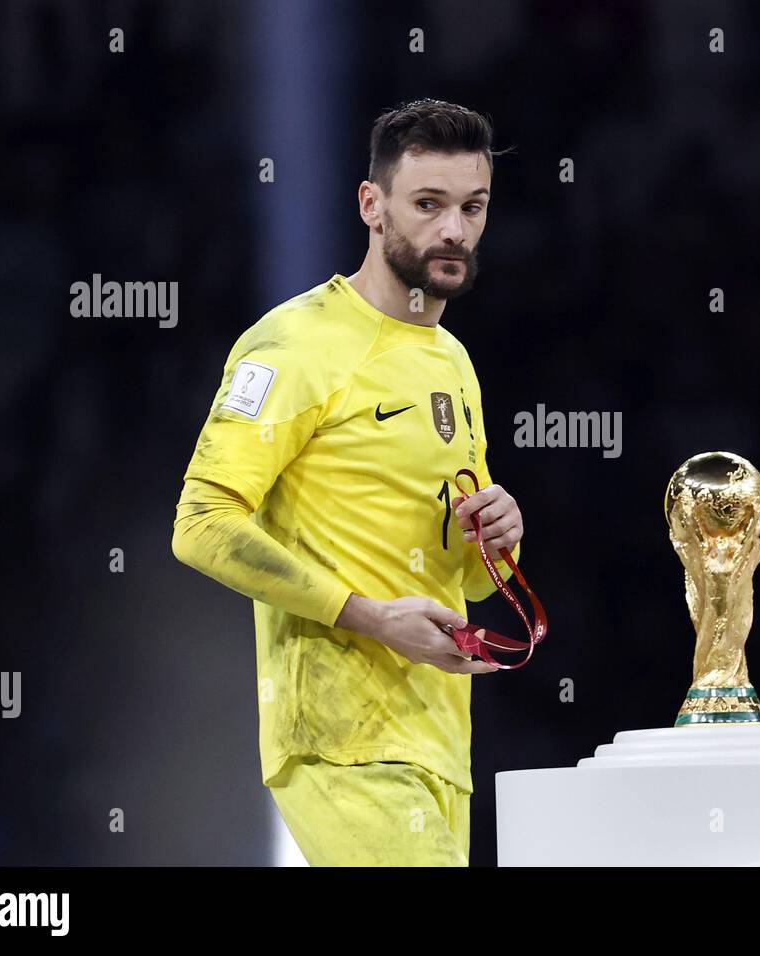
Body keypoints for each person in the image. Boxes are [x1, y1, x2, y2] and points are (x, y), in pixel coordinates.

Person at [171, 99, 523, 866]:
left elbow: (465, 573)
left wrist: (495, 537)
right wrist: (368, 617)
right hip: (342, 735)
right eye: (427, 205)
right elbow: (199, 523)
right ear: (372, 205)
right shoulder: (294, 343)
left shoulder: (452, 362)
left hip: (438, 740)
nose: (453, 230)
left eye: (472, 207)